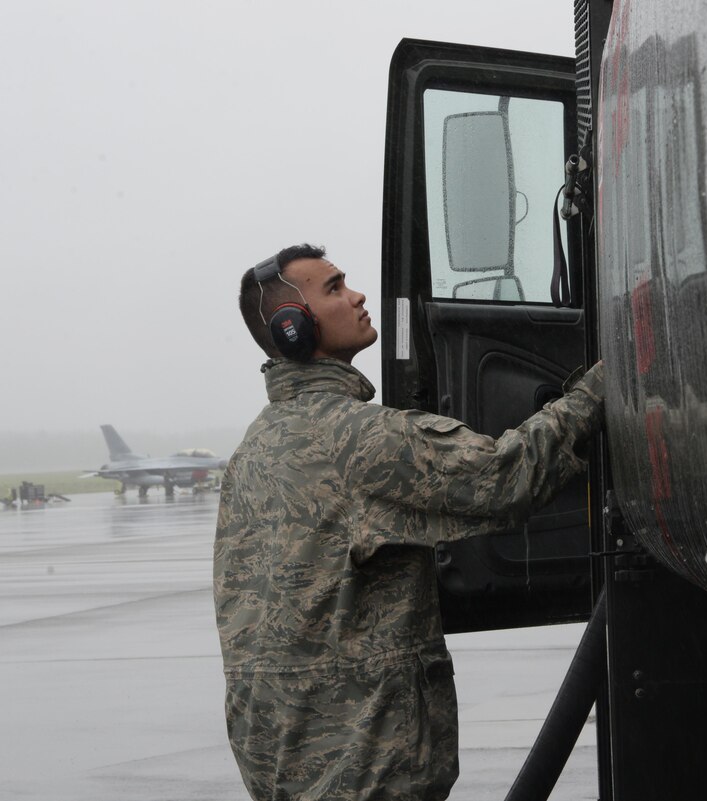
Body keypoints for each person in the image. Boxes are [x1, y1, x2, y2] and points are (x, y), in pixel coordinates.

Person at [214, 243, 604, 801]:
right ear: (293, 327)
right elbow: (503, 478)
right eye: (334, 289)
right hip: (361, 765)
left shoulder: (255, 448)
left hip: (288, 763)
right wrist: (599, 390)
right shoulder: (353, 439)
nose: (357, 296)